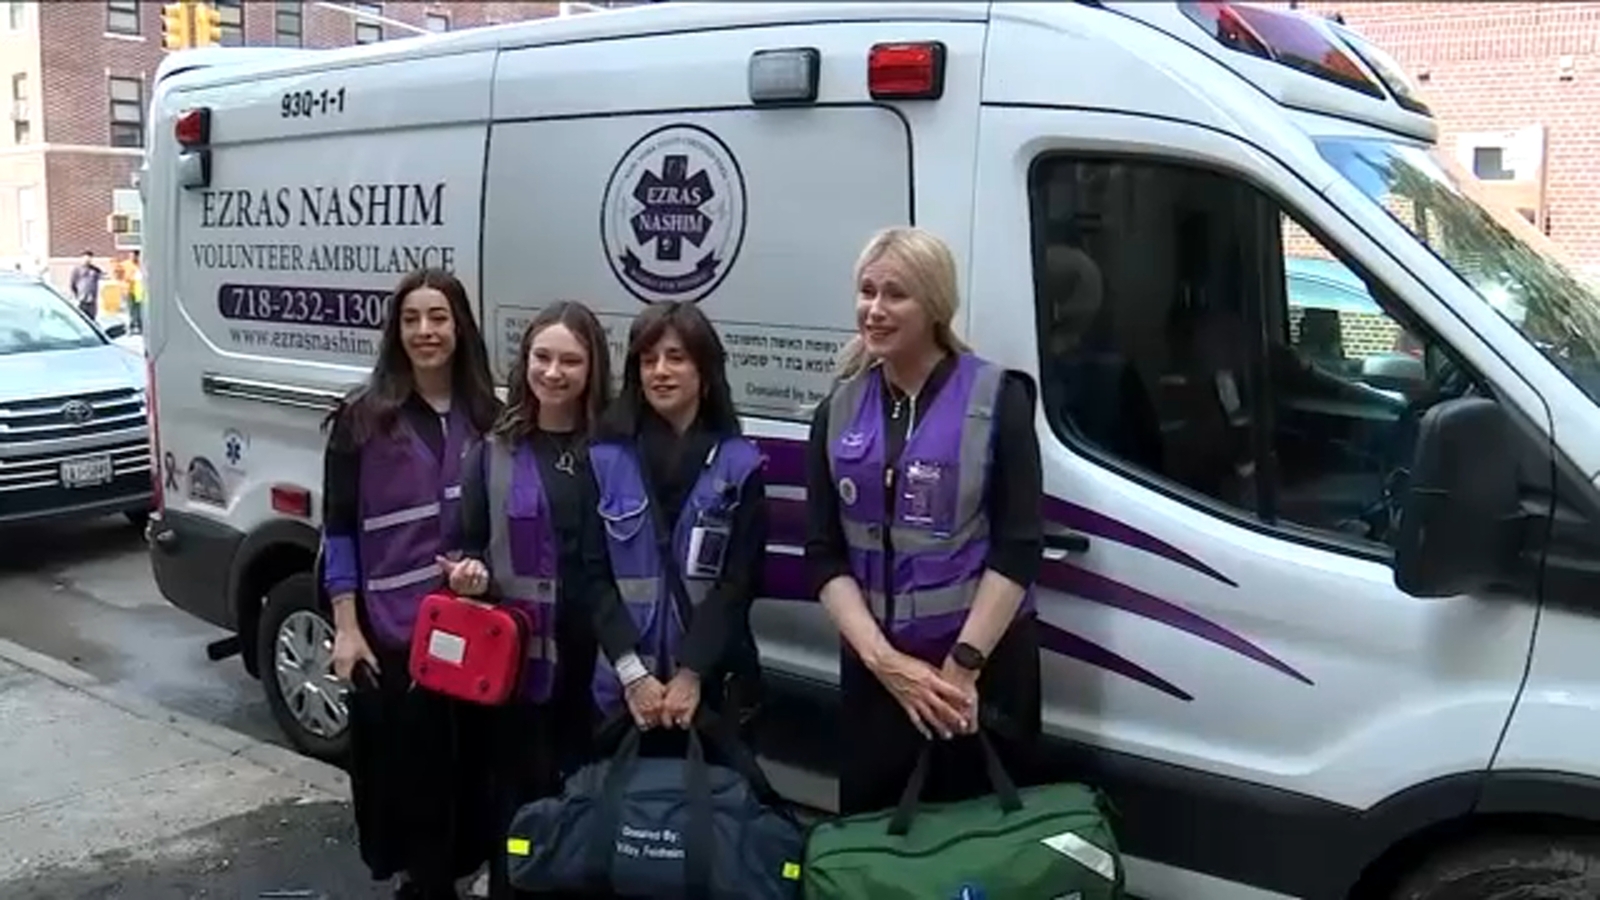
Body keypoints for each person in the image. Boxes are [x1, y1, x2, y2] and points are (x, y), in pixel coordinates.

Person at [805, 226, 1046, 817]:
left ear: (934, 305)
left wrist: (961, 670)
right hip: (877, 675)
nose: (875, 310)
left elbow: (1018, 546)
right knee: (879, 845)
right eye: (867, 291)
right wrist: (885, 664)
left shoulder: (998, 397)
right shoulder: (837, 409)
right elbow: (823, 552)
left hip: (977, 674)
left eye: (896, 295)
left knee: (981, 841)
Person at [319, 267, 501, 900]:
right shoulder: (362, 419)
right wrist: (345, 628)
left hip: (471, 634)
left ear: (460, 327)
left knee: (469, 776)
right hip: (390, 638)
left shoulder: (490, 417)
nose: (426, 331)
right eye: (412, 319)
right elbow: (338, 529)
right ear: (396, 332)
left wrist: (481, 569)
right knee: (408, 786)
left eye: (439, 317)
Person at [444, 301, 614, 900]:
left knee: (588, 783)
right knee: (516, 786)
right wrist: (469, 573)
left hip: (598, 654)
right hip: (519, 658)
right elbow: (466, 545)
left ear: (593, 368)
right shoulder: (494, 450)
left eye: (570, 360)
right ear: (525, 362)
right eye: (543, 357)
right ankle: (511, 880)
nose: (554, 372)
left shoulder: (616, 449)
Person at [588, 300, 768, 740]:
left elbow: (738, 584)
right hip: (623, 688)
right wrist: (634, 676)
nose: (660, 372)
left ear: (704, 372)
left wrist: (691, 675)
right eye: (648, 361)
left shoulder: (739, 465)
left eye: (676, 358)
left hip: (709, 686)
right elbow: (589, 575)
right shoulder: (604, 458)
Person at [69, 251, 103, 321]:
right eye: (85, 258)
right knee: (81, 318)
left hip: (92, 300)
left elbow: (101, 279)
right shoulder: (77, 270)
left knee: (92, 319)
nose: (87, 260)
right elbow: (72, 284)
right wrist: (76, 295)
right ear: (82, 258)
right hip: (81, 299)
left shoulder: (95, 270)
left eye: (89, 258)